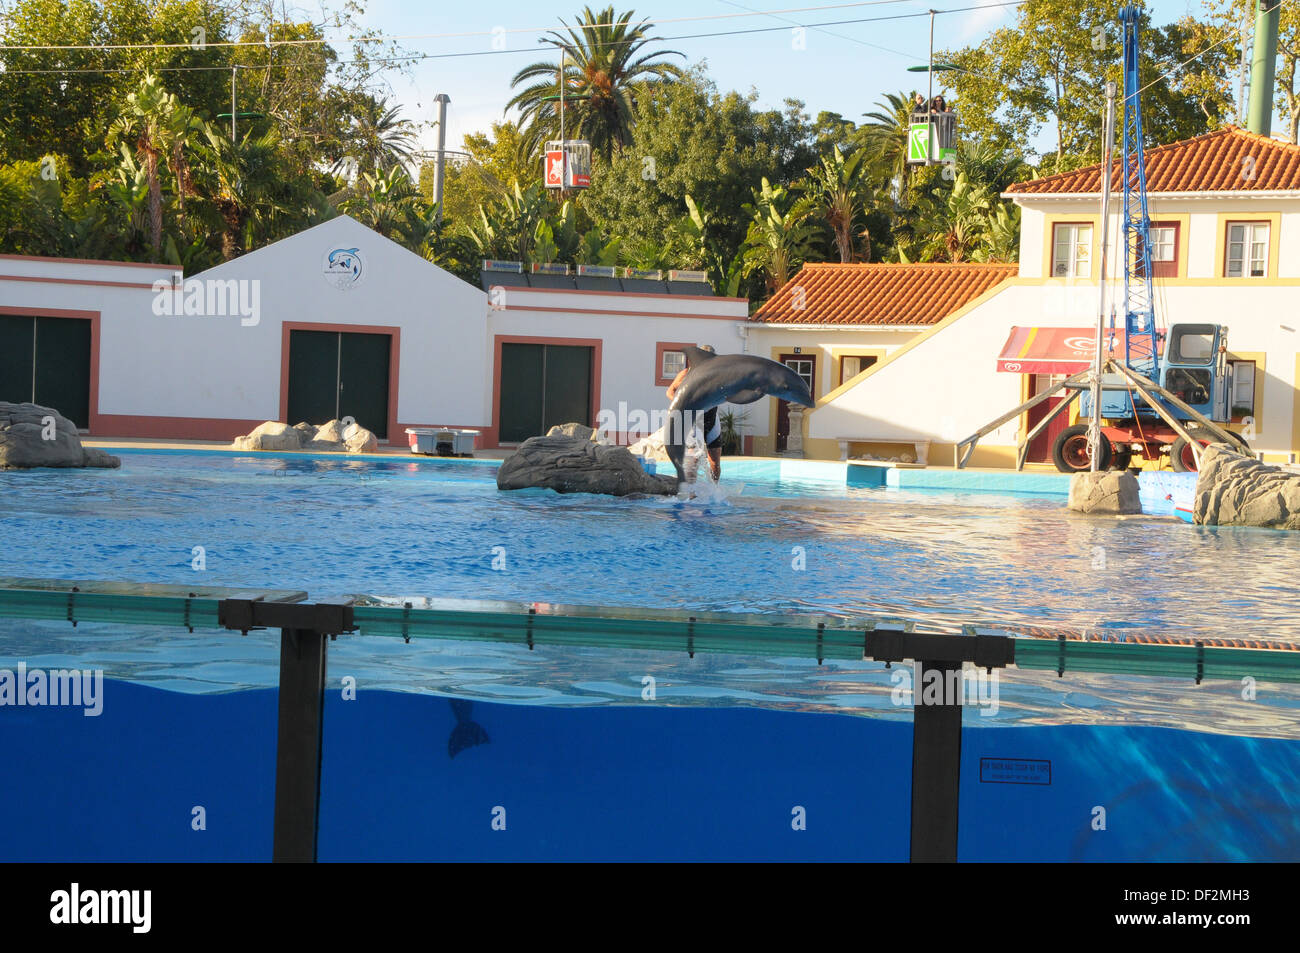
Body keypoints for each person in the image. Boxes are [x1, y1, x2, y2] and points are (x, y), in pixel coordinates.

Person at [666, 345, 723, 482]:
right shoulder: (686, 374)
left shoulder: (718, 375)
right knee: (694, 458)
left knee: (715, 462)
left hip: (711, 419)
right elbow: (670, 392)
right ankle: (690, 492)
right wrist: (681, 404)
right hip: (692, 420)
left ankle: (714, 491)